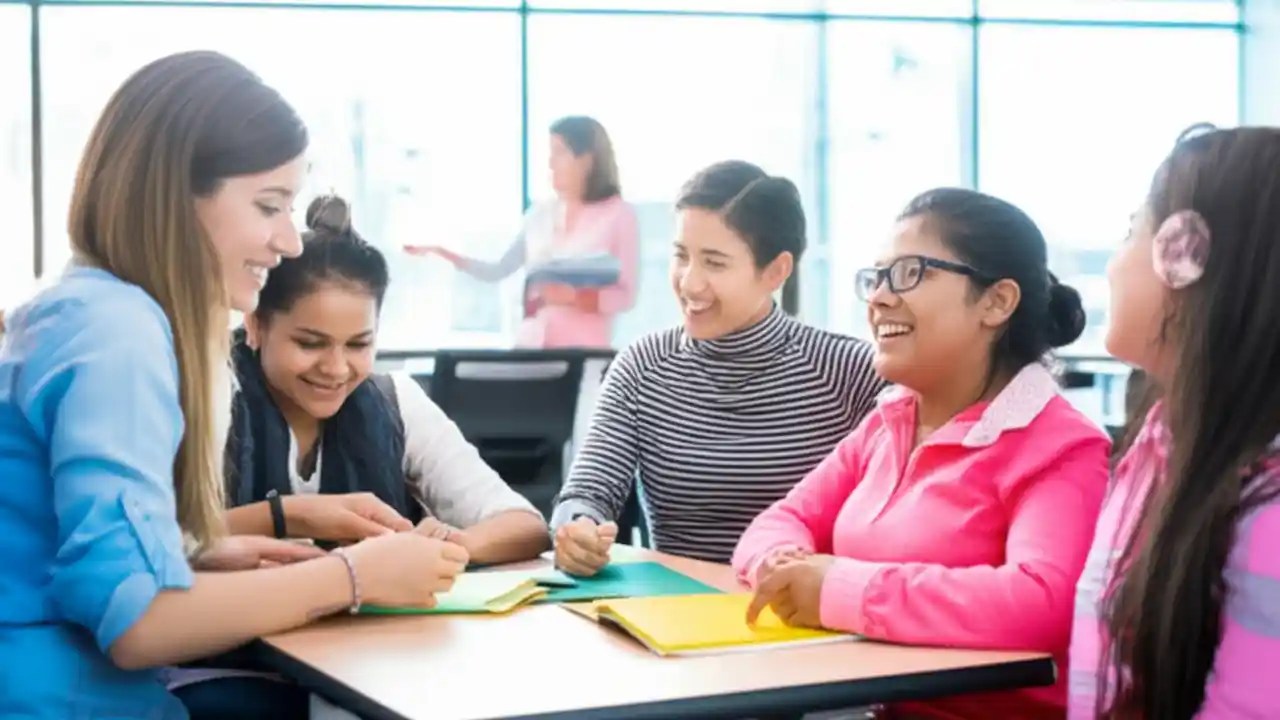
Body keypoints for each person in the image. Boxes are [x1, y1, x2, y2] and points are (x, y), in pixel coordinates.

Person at [0, 51, 465, 720]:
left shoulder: (87, 312)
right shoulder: (120, 331)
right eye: (269, 205)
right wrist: (351, 576)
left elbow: (61, 551)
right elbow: (137, 625)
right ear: (176, 198)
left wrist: (191, 555)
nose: (290, 241)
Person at [735, 187, 1110, 719]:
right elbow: (780, 520)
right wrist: (781, 565)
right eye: (878, 277)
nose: (880, 297)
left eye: (910, 272)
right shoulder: (890, 422)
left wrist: (843, 590)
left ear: (997, 302)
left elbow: (1043, 602)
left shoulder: (1061, 447)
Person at [550, 160, 885, 574]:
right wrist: (576, 530)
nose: (689, 282)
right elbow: (587, 493)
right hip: (676, 614)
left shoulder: (851, 372)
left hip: (799, 614)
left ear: (776, 271)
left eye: (714, 262)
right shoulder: (641, 368)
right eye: (681, 256)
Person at [1070, 126, 1280, 720]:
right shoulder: (1162, 444)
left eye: (1129, 231)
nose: (1112, 266)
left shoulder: (1267, 506)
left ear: (1184, 253)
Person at [224, 193, 549, 565]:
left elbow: (524, 524)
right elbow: (166, 541)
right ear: (255, 324)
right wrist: (285, 515)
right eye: (310, 343)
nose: (337, 368)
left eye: (358, 344)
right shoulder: (212, 398)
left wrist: (446, 548)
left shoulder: (394, 402)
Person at [406, 115, 638, 348]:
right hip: (531, 347)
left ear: (587, 159)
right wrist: (441, 251)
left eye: (559, 153)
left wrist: (573, 297)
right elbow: (497, 269)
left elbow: (625, 296)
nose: (550, 163)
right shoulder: (539, 215)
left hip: (584, 356)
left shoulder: (618, 215)